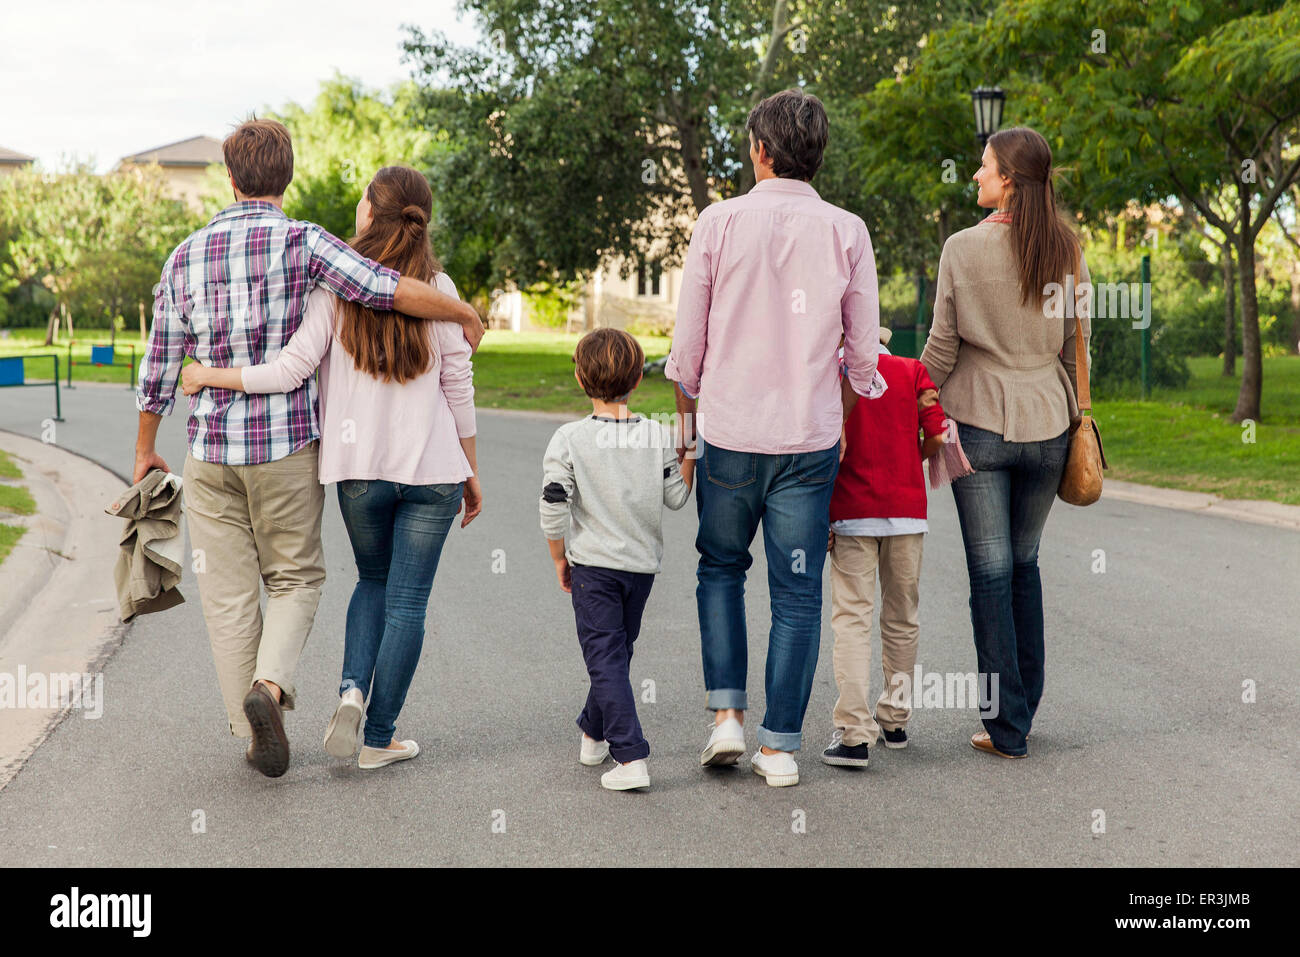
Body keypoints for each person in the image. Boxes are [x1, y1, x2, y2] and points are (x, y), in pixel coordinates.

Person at [134, 117, 484, 779]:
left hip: (217, 451)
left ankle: (257, 723)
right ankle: (314, 706)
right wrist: (461, 315)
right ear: (287, 177)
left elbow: (161, 364)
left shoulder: (184, 255)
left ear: (231, 178)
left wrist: (147, 445)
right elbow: (388, 291)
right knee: (301, 579)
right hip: (297, 452)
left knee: (232, 596)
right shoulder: (312, 248)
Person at [665, 88, 886, 788]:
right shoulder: (848, 231)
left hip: (729, 434)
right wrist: (839, 423)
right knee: (797, 590)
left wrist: (688, 432)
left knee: (720, 569)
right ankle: (781, 746)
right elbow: (862, 360)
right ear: (816, 155)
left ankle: (727, 716)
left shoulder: (717, 222)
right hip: (808, 440)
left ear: (761, 150)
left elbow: (686, 351)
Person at [919, 126, 1091, 759]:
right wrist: (1077, 420)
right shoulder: (1068, 250)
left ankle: (1005, 725)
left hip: (981, 426)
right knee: (1025, 565)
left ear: (1010, 180)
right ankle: (1022, 707)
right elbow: (1078, 347)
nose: (975, 176)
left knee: (989, 575)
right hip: (1048, 424)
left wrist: (909, 394)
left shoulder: (962, 250)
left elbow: (941, 348)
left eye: (984, 166)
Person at [539, 328, 692, 791]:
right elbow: (678, 497)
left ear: (581, 379)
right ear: (637, 381)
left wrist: (559, 558)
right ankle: (593, 731)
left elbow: (552, 507)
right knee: (615, 653)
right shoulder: (656, 436)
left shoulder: (569, 439)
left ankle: (630, 757)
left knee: (607, 657)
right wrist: (689, 454)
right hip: (640, 570)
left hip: (593, 569)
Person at [821, 327, 949, 768]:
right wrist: (912, 456)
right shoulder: (913, 371)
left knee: (852, 619)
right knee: (902, 617)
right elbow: (938, 434)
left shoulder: (831, 375)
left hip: (851, 512)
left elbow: (822, 447)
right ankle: (894, 720)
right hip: (907, 513)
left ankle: (855, 734)